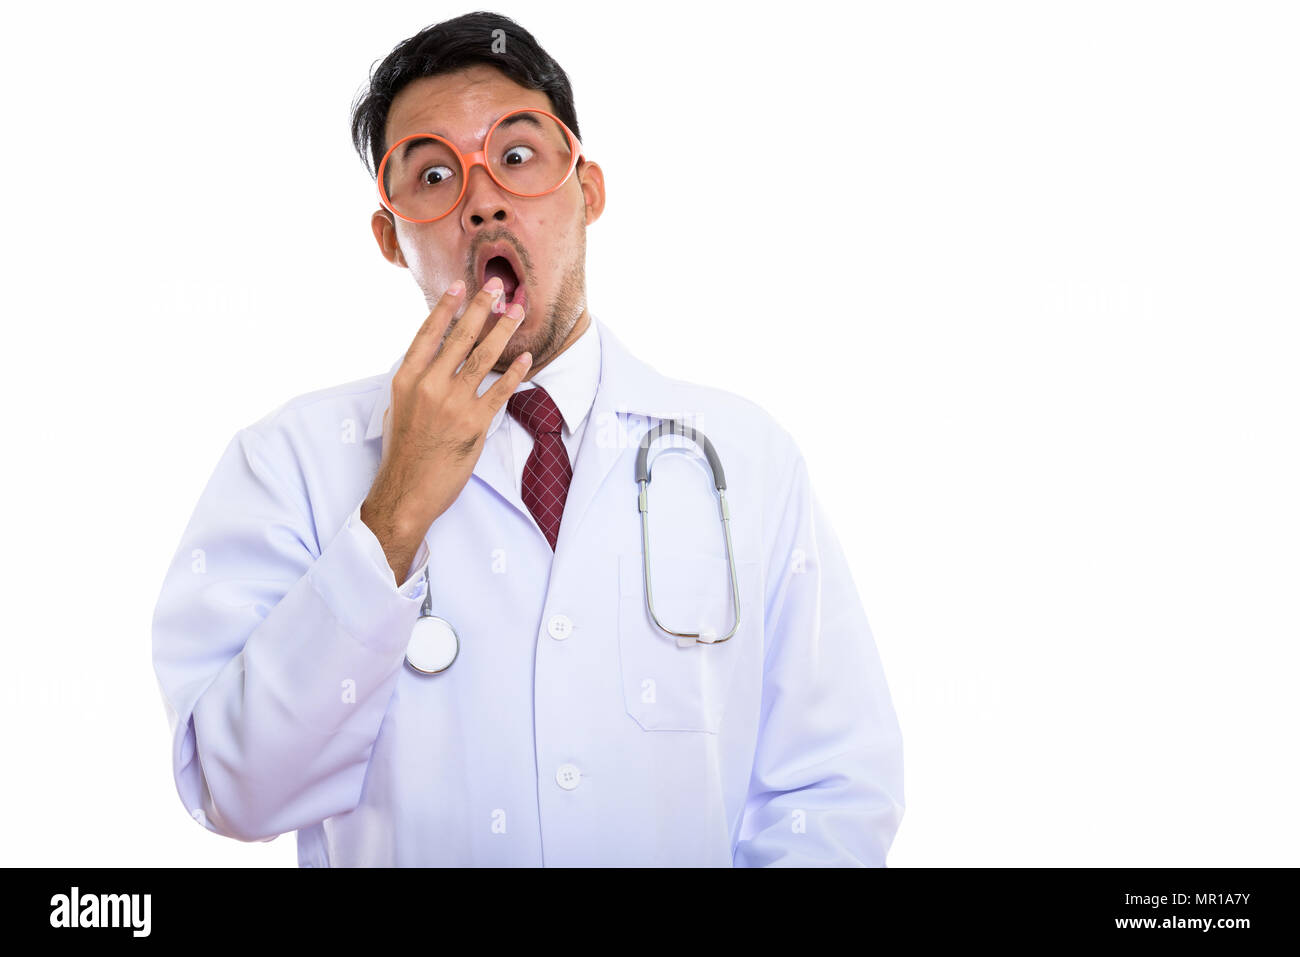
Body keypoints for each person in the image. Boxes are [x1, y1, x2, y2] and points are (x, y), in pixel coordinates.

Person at [151, 11, 904, 867]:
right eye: (434, 175)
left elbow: (832, 787)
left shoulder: (747, 458)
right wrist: (393, 514)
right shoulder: (287, 463)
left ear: (587, 190)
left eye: (516, 156)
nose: (482, 201)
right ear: (391, 239)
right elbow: (236, 789)